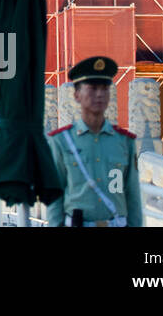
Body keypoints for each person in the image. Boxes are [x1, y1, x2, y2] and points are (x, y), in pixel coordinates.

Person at [46, 56, 144, 227]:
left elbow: (133, 195)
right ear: (77, 95)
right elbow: (55, 197)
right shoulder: (61, 141)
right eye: (92, 88)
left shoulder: (124, 142)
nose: (99, 94)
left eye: (104, 88)